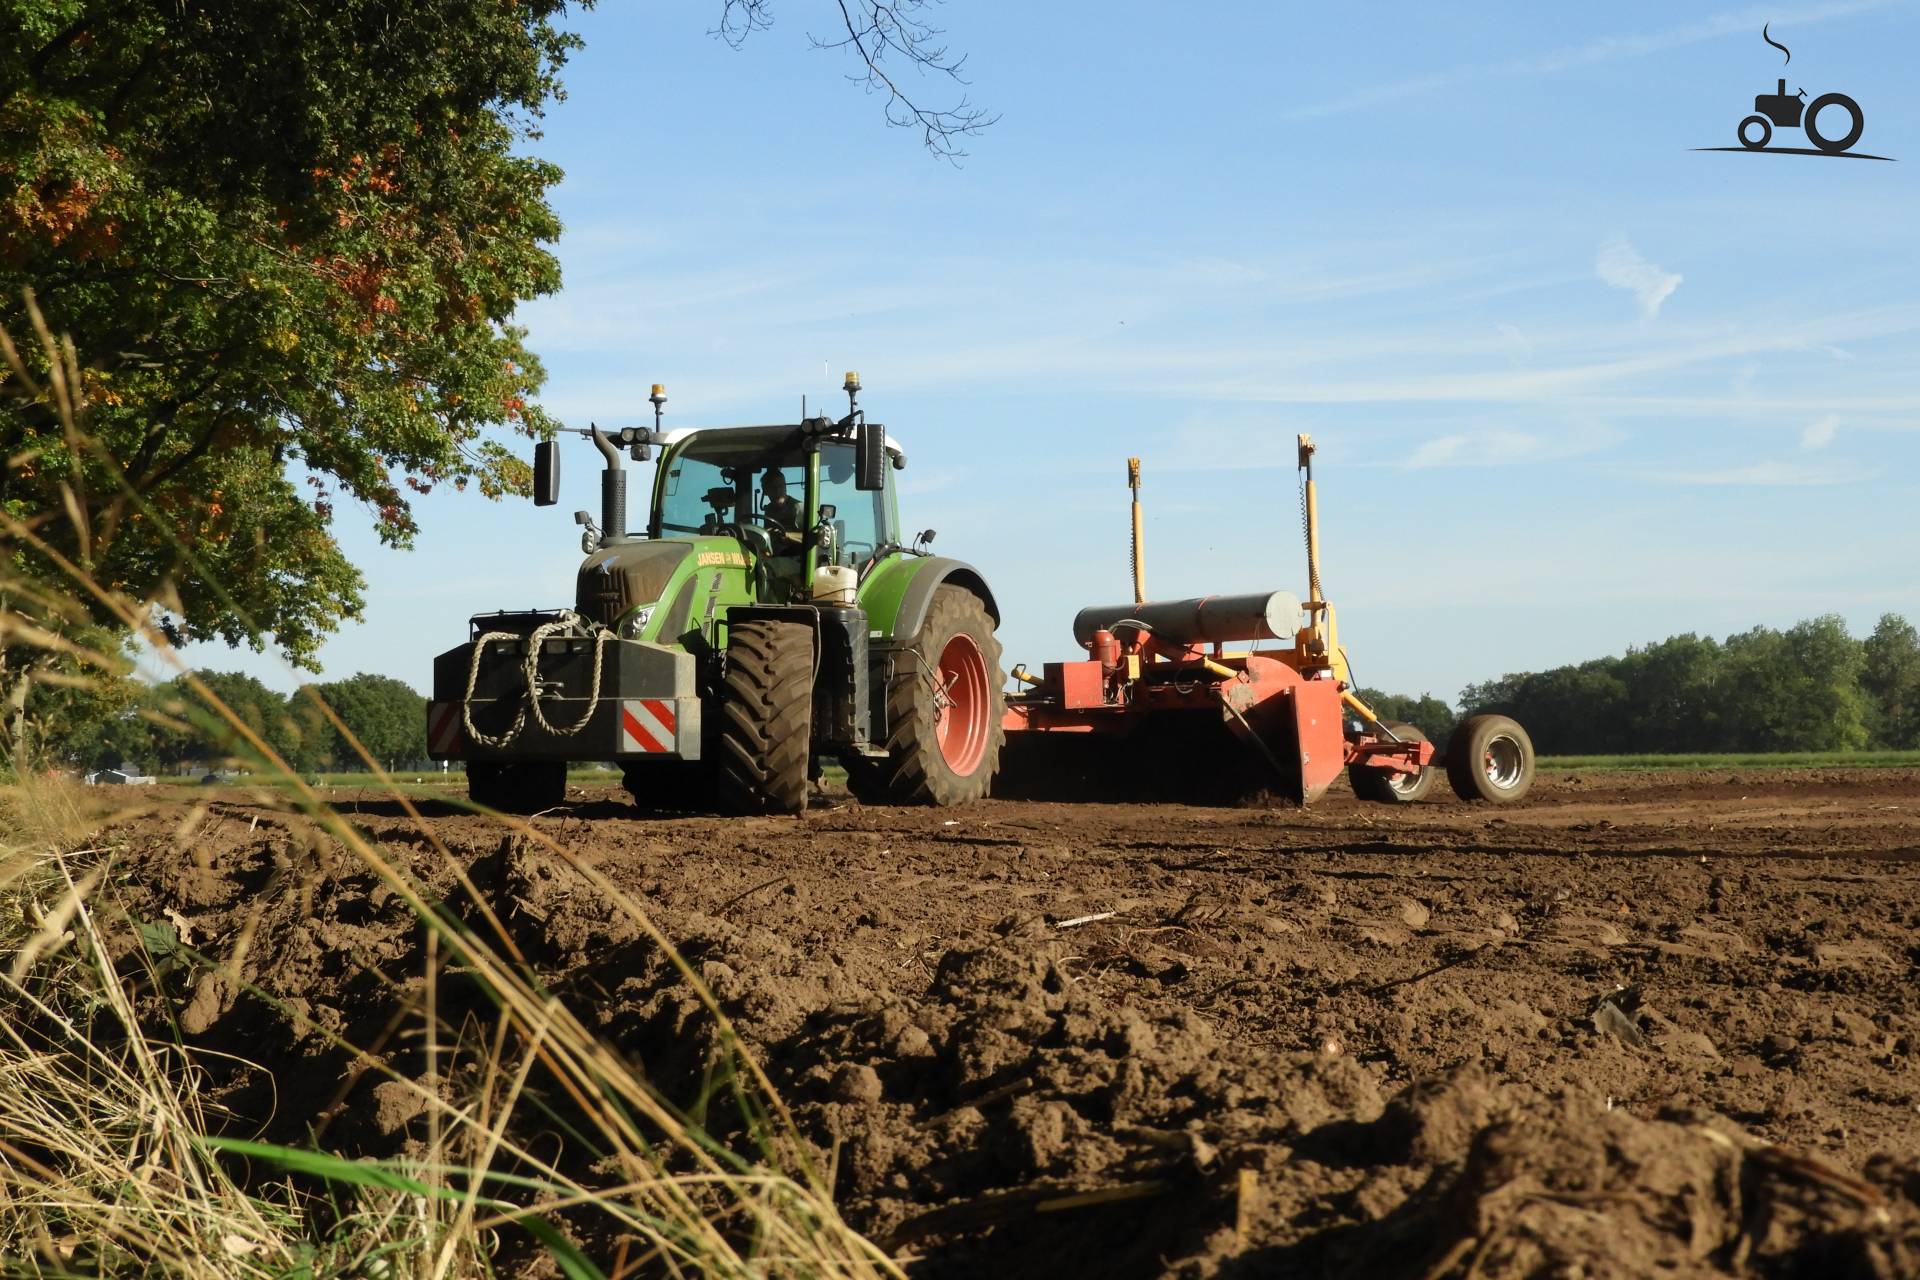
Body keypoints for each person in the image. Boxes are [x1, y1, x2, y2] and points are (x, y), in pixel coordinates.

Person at [760, 469, 803, 542]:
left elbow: (812, 536)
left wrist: (787, 534)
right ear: (765, 491)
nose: (778, 491)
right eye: (773, 487)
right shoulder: (769, 510)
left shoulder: (799, 507)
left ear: (785, 486)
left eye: (781, 486)